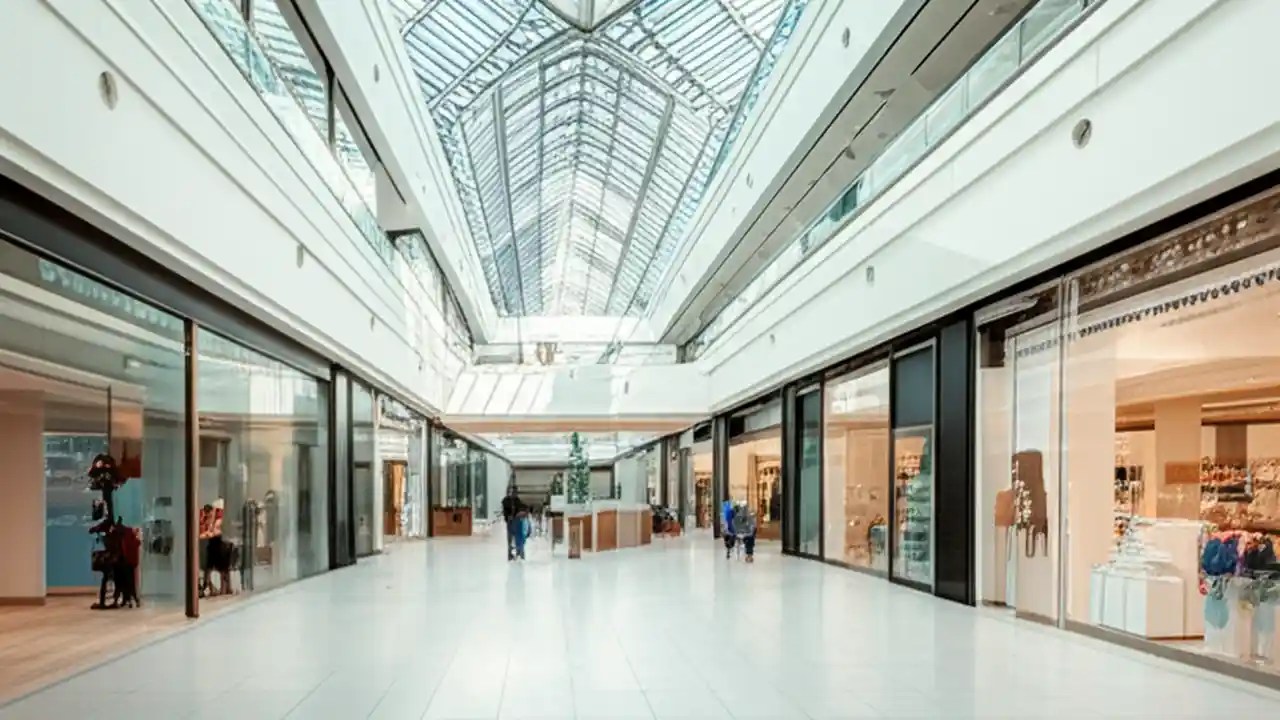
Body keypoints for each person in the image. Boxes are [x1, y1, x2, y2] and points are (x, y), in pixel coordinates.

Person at [501, 486, 521, 561]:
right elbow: (505, 511)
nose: (514, 494)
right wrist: (508, 516)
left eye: (515, 492)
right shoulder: (505, 500)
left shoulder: (517, 500)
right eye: (513, 492)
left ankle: (518, 553)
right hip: (509, 522)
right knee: (510, 539)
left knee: (517, 538)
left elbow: (519, 509)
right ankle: (510, 555)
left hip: (516, 521)